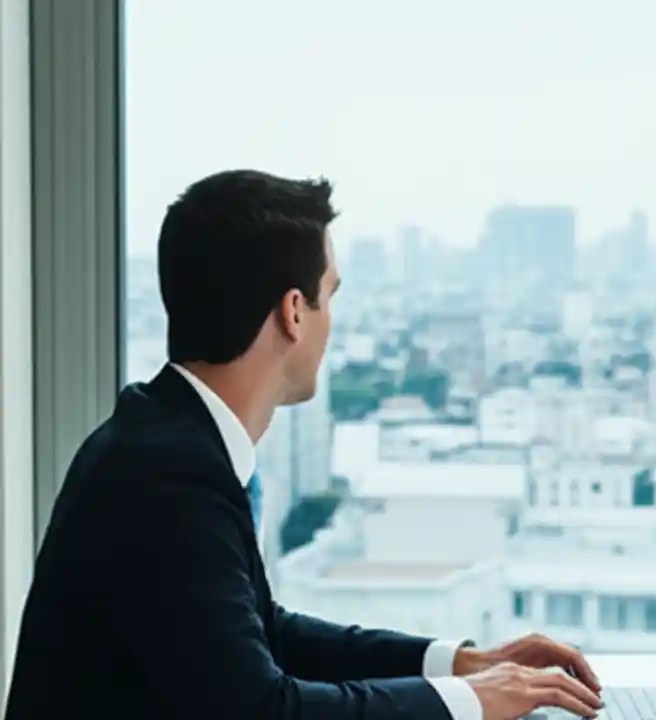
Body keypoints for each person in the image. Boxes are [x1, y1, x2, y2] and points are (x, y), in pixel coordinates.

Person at [4, 170, 604, 719]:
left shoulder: (161, 438)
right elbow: (265, 712)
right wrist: (465, 704)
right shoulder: (169, 475)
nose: (331, 321)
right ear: (295, 310)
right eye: (331, 294)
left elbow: (263, 637)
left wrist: (457, 665)